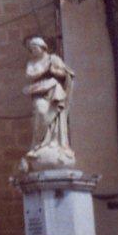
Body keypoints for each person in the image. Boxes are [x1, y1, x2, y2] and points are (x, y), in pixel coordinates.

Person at [20, 36, 76, 172]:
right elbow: (30, 75)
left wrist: (54, 71)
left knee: (54, 114)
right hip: (39, 92)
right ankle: (40, 144)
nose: (33, 51)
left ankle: (54, 142)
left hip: (53, 90)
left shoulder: (53, 59)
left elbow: (66, 74)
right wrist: (46, 70)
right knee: (41, 111)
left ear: (42, 47)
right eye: (31, 49)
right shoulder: (31, 63)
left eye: (35, 48)